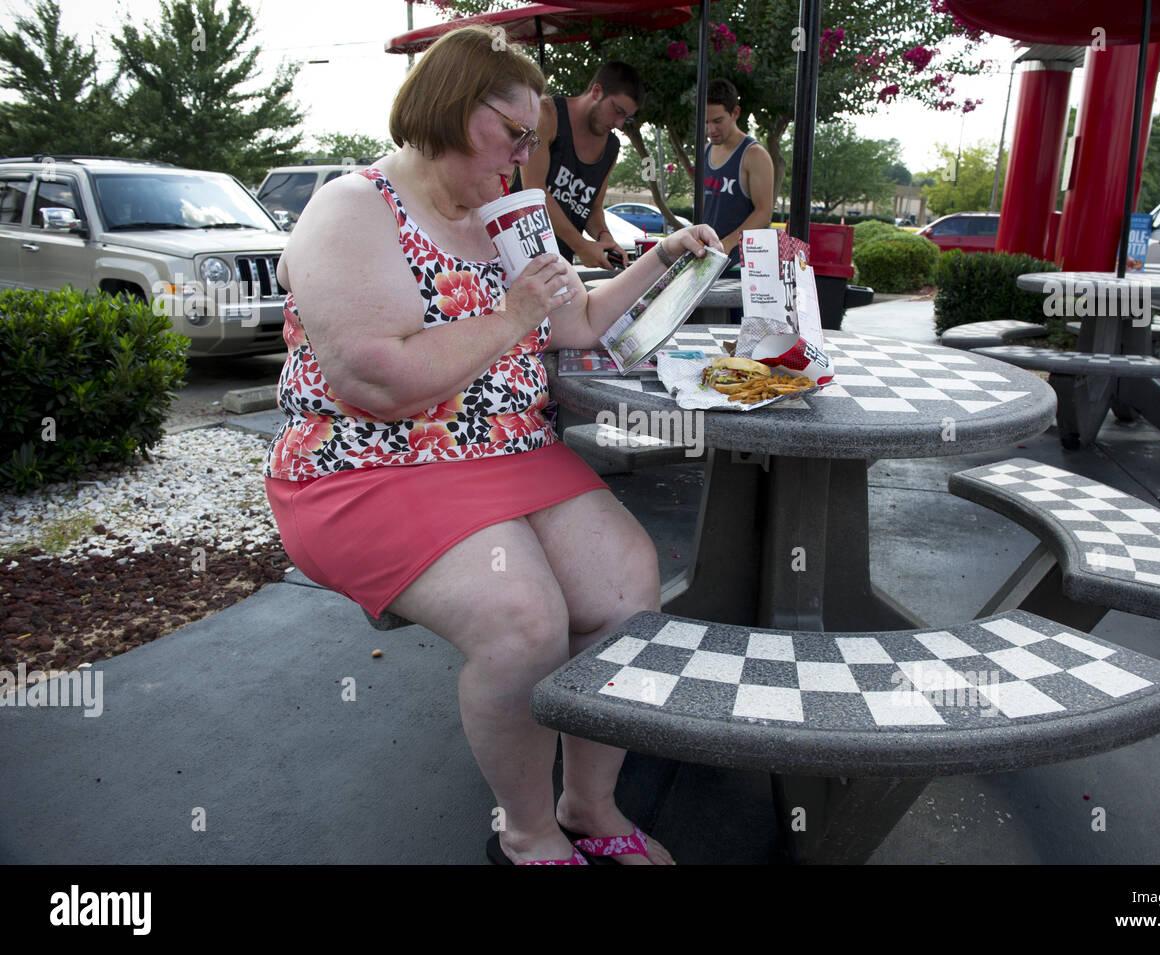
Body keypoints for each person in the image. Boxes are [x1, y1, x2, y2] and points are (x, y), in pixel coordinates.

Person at [261, 26, 723, 865]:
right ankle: (527, 828)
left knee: (627, 588)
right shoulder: (354, 208)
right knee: (523, 619)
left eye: (530, 141)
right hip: (374, 464)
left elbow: (575, 318)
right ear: (451, 107)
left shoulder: (505, 213)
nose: (520, 159)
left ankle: (590, 802)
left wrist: (658, 259)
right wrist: (509, 314)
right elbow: (379, 379)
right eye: (511, 135)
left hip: (509, 452)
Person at [520, 60, 642, 270]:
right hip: (516, 255)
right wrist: (582, 246)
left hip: (558, 266)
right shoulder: (548, 114)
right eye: (617, 110)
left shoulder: (612, 146)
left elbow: (592, 209)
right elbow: (533, 191)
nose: (619, 124)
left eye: (626, 118)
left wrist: (605, 239)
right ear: (596, 91)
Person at [701, 78, 775, 270]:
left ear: (735, 113)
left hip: (742, 266)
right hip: (709, 262)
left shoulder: (754, 154)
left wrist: (725, 245)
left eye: (718, 121)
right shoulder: (705, 151)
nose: (711, 129)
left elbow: (764, 212)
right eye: (706, 122)